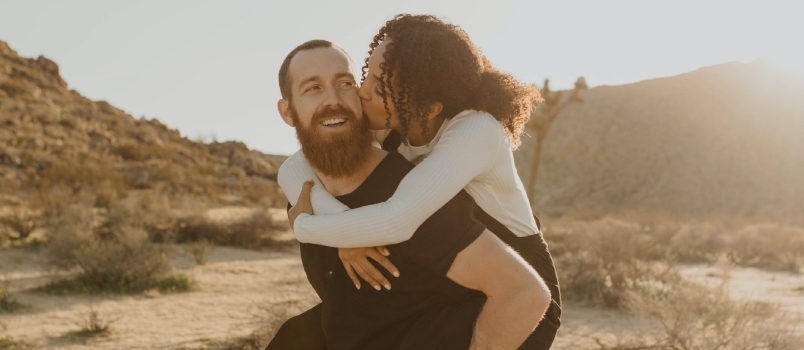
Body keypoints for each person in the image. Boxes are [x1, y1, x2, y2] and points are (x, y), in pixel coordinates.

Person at [279, 14, 562, 348]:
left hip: (520, 288)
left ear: (426, 107)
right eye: (366, 76)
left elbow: (396, 220)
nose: (361, 93)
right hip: (458, 274)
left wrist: (308, 227)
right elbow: (296, 164)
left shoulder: (475, 130)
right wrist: (339, 226)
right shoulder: (396, 121)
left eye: (380, 88)